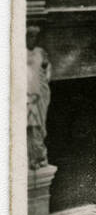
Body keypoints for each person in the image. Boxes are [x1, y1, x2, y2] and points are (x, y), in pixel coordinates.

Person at [26, 26, 51, 169]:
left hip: (39, 94)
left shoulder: (40, 52)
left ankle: (40, 156)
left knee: (39, 125)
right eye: (30, 36)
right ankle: (33, 158)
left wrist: (46, 79)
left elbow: (47, 67)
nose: (32, 39)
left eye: (35, 37)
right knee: (30, 126)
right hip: (27, 96)